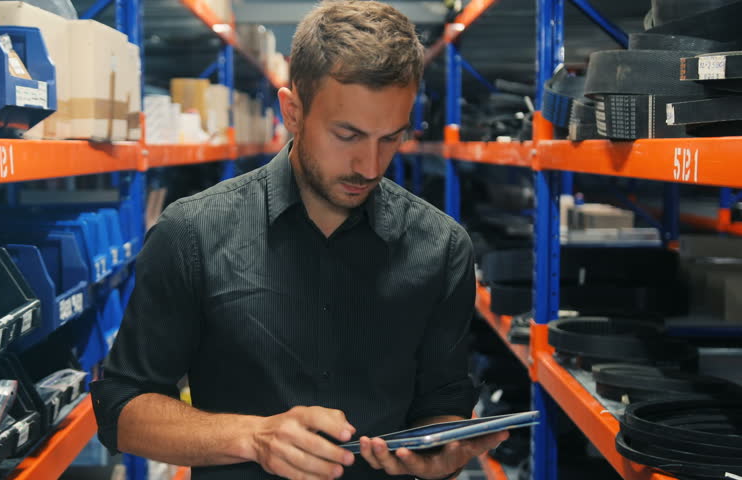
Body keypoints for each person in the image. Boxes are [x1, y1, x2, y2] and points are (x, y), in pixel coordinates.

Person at [91, 1, 507, 478]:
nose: (370, 166)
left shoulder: (442, 247)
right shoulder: (191, 233)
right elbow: (122, 409)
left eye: (391, 138)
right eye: (346, 135)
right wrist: (252, 437)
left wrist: (441, 453)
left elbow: (443, 398)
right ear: (292, 110)